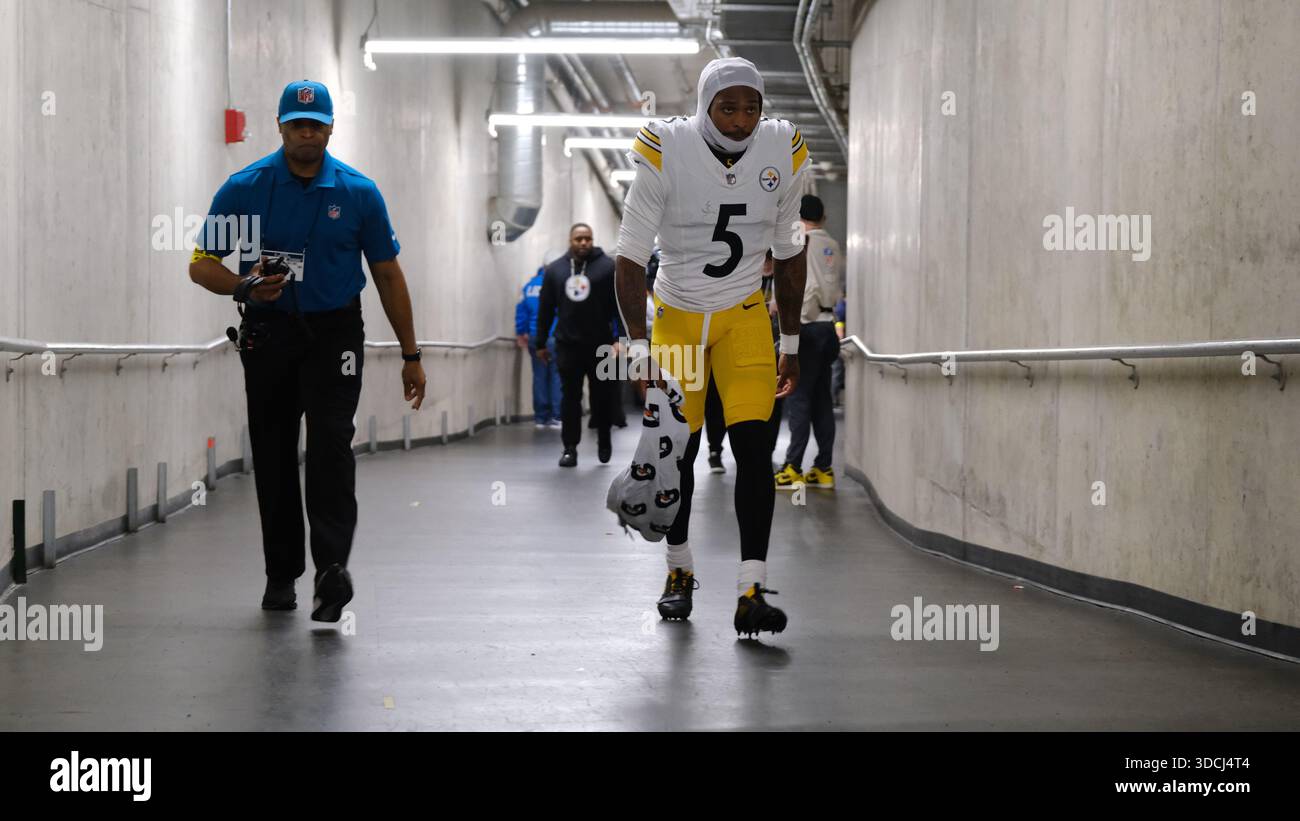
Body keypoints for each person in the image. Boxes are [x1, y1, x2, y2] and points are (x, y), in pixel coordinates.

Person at [189, 80, 425, 621]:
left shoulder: (358, 192)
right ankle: (281, 573)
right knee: (272, 454)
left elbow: (387, 274)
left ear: (330, 128)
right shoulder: (245, 188)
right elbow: (201, 263)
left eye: (316, 124)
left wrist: (411, 354)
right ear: (280, 127)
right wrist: (242, 286)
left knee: (331, 448)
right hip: (269, 334)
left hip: (335, 335)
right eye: (297, 124)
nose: (307, 133)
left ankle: (331, 570)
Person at [614, 56, 811, 638]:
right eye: (728, 107)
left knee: (755, 453)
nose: (742, 119)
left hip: (745, 317)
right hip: (676, 317)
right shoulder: (665, 146)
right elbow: (628, 259)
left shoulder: (782, 148)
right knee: (678, 454)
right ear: (705, 105)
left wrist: (792, 341)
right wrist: (637, 346)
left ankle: (751, 589)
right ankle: (678, 571)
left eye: (752, 107)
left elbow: (791, 255)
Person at [536, 223, 622, 467]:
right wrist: (540, 342)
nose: (583, 243)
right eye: (578, 239)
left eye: (587, 239)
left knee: (602, 398)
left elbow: (618, 306)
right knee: (570, 398)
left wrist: (620, 340)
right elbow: (545, 308)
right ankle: (569, 448)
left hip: (601, 346)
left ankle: (604, 439)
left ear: (592, 240)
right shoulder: (556, 270)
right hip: (568, 345)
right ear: (570, 241)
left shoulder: (607, 267)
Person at [775, 194, 845, 491]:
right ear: (824, 217)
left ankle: (792, 468)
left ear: (798, 216)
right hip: (829, 328)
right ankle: (824, 468)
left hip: (808, 328)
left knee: (799, 400)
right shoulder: (832, 243)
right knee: (821, 401)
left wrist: (794, 324)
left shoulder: (802, 241)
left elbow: (807, 286)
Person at [516, 263, 561, 428]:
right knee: (557, 376)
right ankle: (556, 416)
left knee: (539, 376)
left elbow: (521, 311)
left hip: (535, 336)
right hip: (555, 336)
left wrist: (521, 332)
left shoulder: (528, 287)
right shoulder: (558, 284)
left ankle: (541, 417)